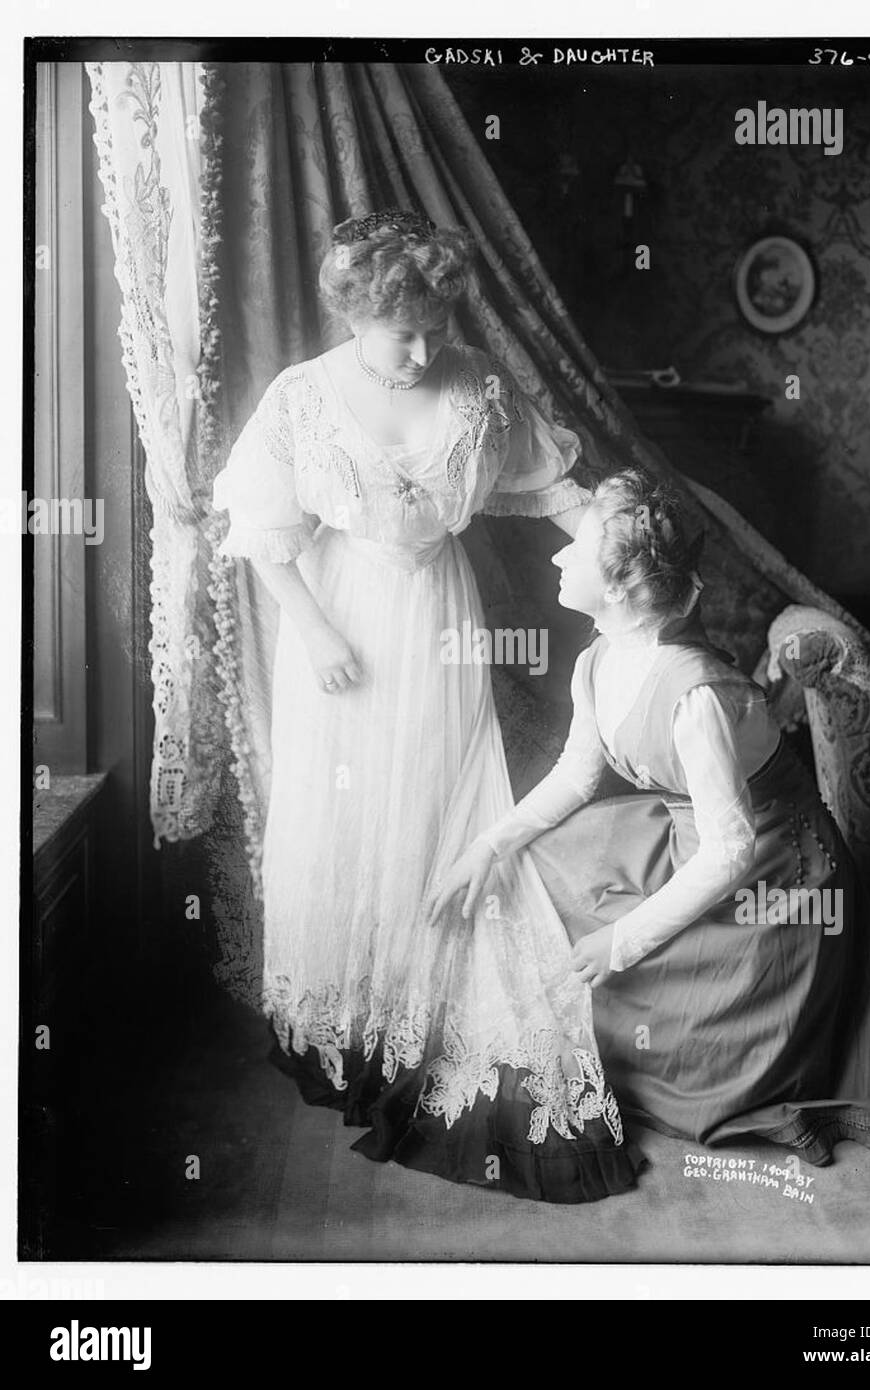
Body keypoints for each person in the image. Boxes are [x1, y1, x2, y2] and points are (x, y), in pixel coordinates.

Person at [211, 208, 643, 1202]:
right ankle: (344, 1031)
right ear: (357, 310)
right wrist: (314, 630)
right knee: (343, 817)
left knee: (436, 808)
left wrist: (617, 547)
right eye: (398, 327)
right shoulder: (301, 396)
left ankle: (416, 1018)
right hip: (337, 618)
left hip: (439, 624)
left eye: (434, 327)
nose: (418, 347)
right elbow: (262, 530)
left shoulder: (480, 385)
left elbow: (550, 486)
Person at [435, 468, 870, 1165]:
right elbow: (578, 775)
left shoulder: (697, 698)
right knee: (536, 868)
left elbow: (729, 853)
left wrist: (623, 942)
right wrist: (489, 845)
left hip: (775, 873)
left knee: (644, 1004)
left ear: (617, 587)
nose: (556, 556)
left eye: (574, 548)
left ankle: (739, 1031)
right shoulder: (600, 660)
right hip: (688, 834)